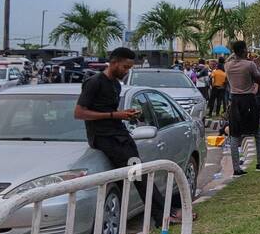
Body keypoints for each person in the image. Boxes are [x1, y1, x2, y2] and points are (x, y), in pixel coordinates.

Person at [73, 46, 189, 224]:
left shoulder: (114, 84)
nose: (127, 71)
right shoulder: (94, 82)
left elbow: (109, 110)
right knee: (138, 174)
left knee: (137, 174)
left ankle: (162, 213)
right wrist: (114, 115)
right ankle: (162, 214)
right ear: (114, 62)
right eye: (125, 67)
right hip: (104, 137)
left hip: (119, 135)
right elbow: (79, 113)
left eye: (129, 68)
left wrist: (125, 114)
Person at [224, 40, 260, 174]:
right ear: (244, 50)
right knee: (258, 132)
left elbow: (231, 58)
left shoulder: (228, 66)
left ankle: (236, 169)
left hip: (235, 101)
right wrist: (255, 68)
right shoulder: (249, 65)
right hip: (249, 100)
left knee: (235, 134)